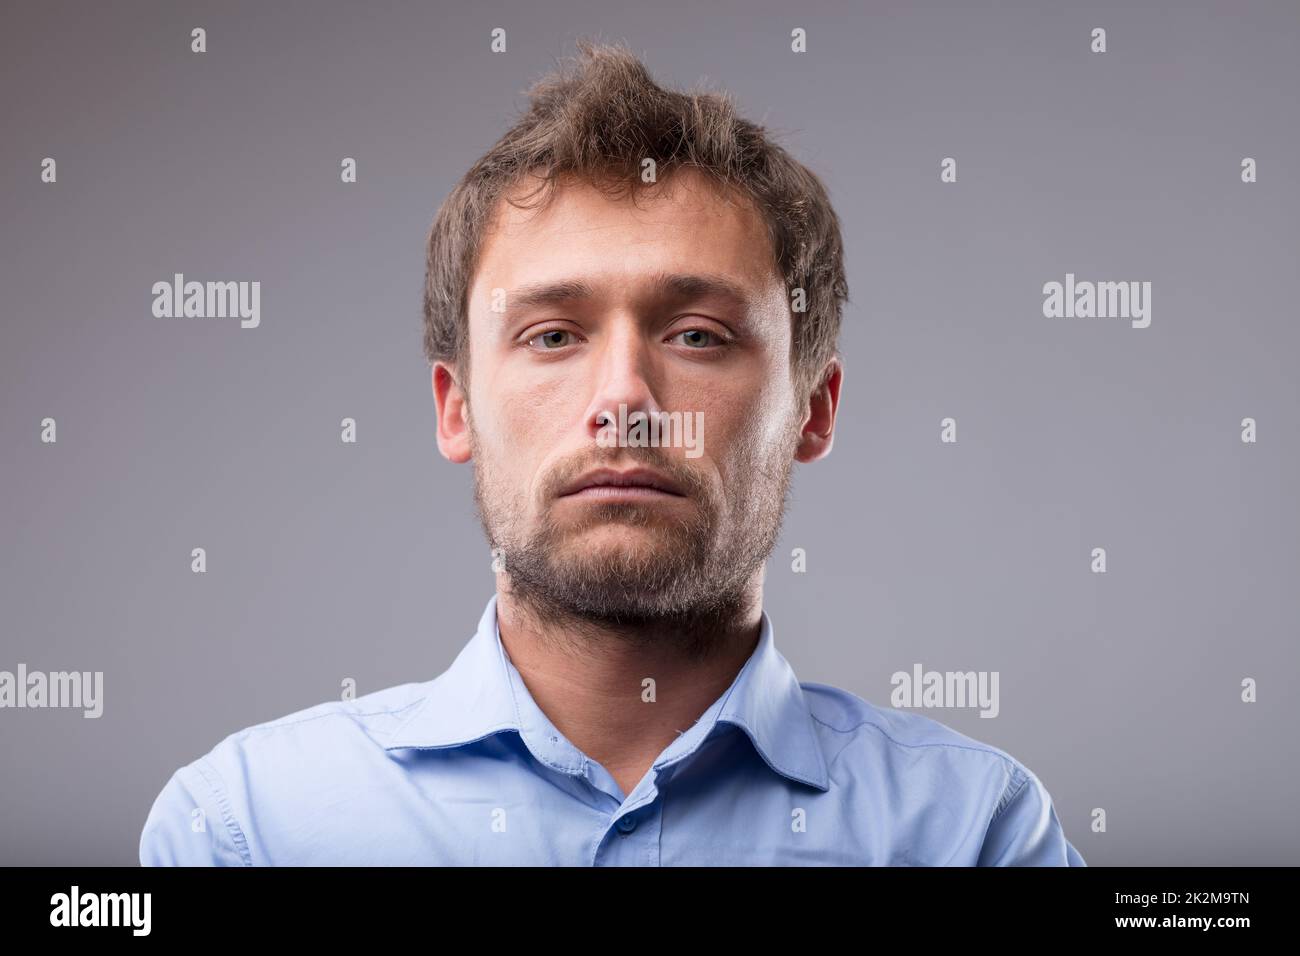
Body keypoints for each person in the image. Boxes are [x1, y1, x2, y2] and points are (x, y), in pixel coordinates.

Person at [140, 38, 1084, 866]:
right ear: (455, 408)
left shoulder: (975, 837)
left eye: (699, 335)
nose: (625, 400)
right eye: (553, 335)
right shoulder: (244, 833)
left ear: (812, 409)